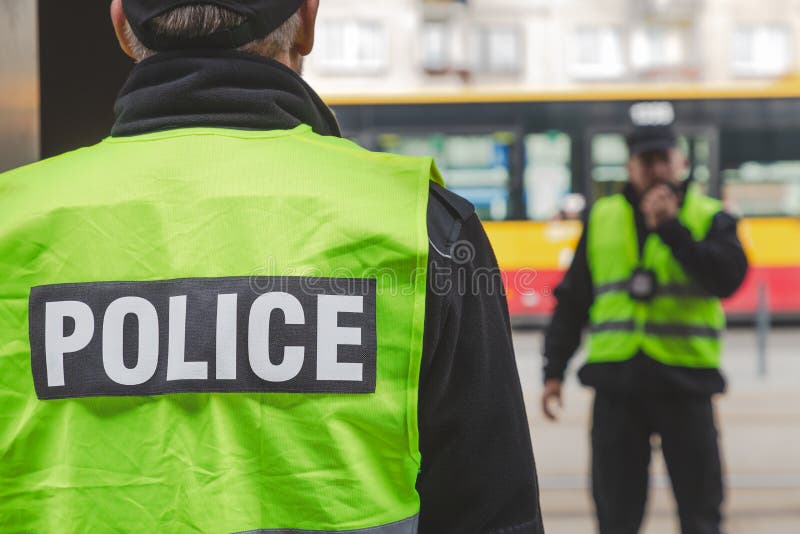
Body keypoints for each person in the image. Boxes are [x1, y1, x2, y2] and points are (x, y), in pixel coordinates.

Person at [0, 1, 544, 532]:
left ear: (121, 23)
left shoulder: (12, 222)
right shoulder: (422, 226)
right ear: (307, 19)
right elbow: (493, 514)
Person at [541, 124, 748, 534]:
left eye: (662, 160)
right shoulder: (602, 217)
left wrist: (672, 229)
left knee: (701, 512)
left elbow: (727, 279)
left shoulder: (711, 217)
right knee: (615, 515)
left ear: (681, 163)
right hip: (618, 388)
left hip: (686, 384)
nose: (654, 169)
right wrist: (552, 372)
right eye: (645, 161)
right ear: (630, 167)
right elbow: (574, 300)